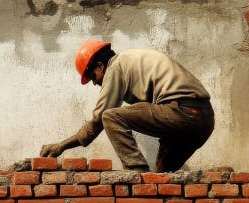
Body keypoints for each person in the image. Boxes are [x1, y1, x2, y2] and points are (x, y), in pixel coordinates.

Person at [41, 40, 214, 172]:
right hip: (204, 120)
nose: (95, 83)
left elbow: (99, 120)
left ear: (100, 66)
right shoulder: (132, 60)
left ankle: (135, 172)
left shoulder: (115, 66)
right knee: (160, 179)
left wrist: (61, 145)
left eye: (93, 77)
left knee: (110, 116)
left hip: (181, 112)